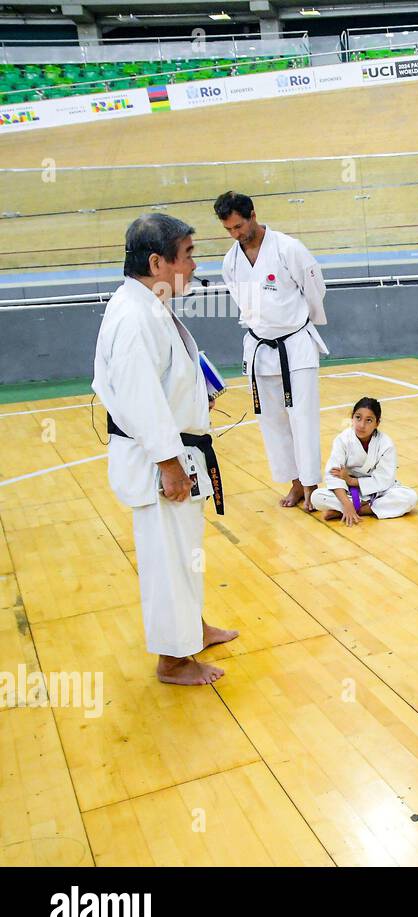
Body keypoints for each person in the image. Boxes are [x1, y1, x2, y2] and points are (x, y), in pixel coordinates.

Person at [91, 212, 238, 686]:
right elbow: (138, 399)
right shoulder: (134, 316)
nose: (195, 265)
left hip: (178, 451)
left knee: (184, 552)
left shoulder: (150, 304)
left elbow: (164, 380)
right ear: (157, 262)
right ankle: (172, 660)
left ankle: (191, 628)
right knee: (166, 560)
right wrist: (170, 464)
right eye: (188, 255)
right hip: (159, 462)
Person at [216, 191, 328, 511]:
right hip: (260, 349)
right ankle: (294, 484)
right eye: (229, 230)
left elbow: (315, 290)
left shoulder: (288, 248)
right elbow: (244, 304)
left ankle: (311, 485)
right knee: (274, 423)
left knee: (302, 419)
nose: (235, 234)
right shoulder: (231, 262)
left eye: (238, 226)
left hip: (295, 344)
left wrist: (295, 323)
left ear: (252, 214)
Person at [310, 397, 417, 524]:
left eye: (369, 420)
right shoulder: (343, 440)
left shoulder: (385, 443)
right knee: (316, 497)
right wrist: (346, 503)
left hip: (378, 492)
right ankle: (354, 508)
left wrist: (351, 480)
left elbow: (385, 479)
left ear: (377, 423)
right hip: (349, 492)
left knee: (410, 497)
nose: (361, 425)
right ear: (352, 417)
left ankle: (354, 510)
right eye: (358, 417)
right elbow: (333, 476)